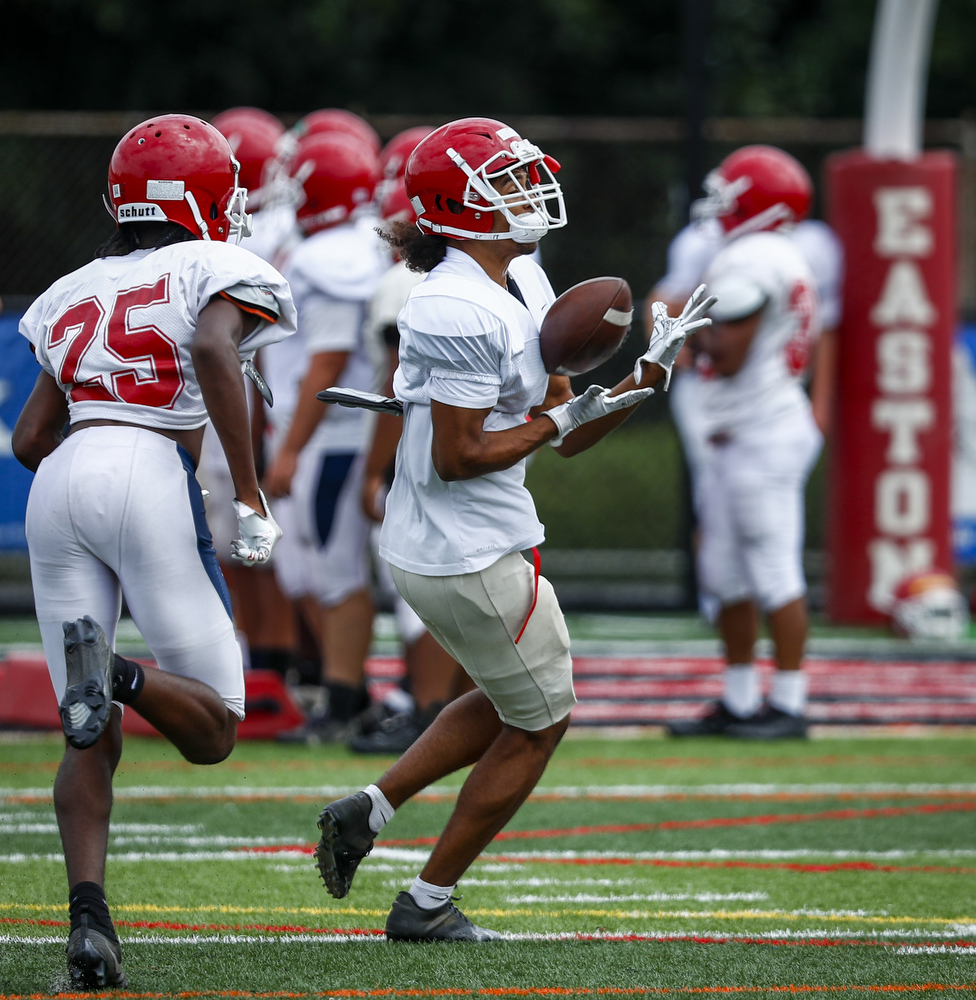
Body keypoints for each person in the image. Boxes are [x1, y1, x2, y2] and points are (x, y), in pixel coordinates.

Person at [313, 117, 712, 941]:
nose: (530, 192)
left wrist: (650, 371)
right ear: (461, 205)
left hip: (474, 538)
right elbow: (462, 455)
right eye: (508, 181)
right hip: (465, 548)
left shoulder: (519, 279)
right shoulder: (453, 304)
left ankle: (371, 807)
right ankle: (426, 903)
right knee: (540, 723)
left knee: (509, 700)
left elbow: (569, 429)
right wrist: (561, 420)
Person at [11, 115, 295, 988]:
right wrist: (247, 491)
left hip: (60, 480)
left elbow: (29, 440)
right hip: (147, 466)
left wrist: (87, 473)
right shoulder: (217, 264)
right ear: (204, 199)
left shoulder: (71, 286)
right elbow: (210, 344)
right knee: (216, 727)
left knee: (85, 732)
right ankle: (121, 675)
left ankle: (88, 923)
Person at [662, 146, 825, 739]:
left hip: (762, 433)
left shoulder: (752, 258)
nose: (718, 205)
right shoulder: (776, 253)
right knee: (724, 570)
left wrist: (678, 334)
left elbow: (728, 353)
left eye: (729, 194)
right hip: (747, 430)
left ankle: (789, 702)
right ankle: (739, 698)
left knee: (773, 568)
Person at [263, 125, 390, 740]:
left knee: (338, 572)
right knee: (327, 571)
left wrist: (290, 448)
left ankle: (346, 704)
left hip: (337, 433)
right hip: (347, 431)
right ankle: (352, 697)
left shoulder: (331, 257)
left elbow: (329, 360)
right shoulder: (360, 243)